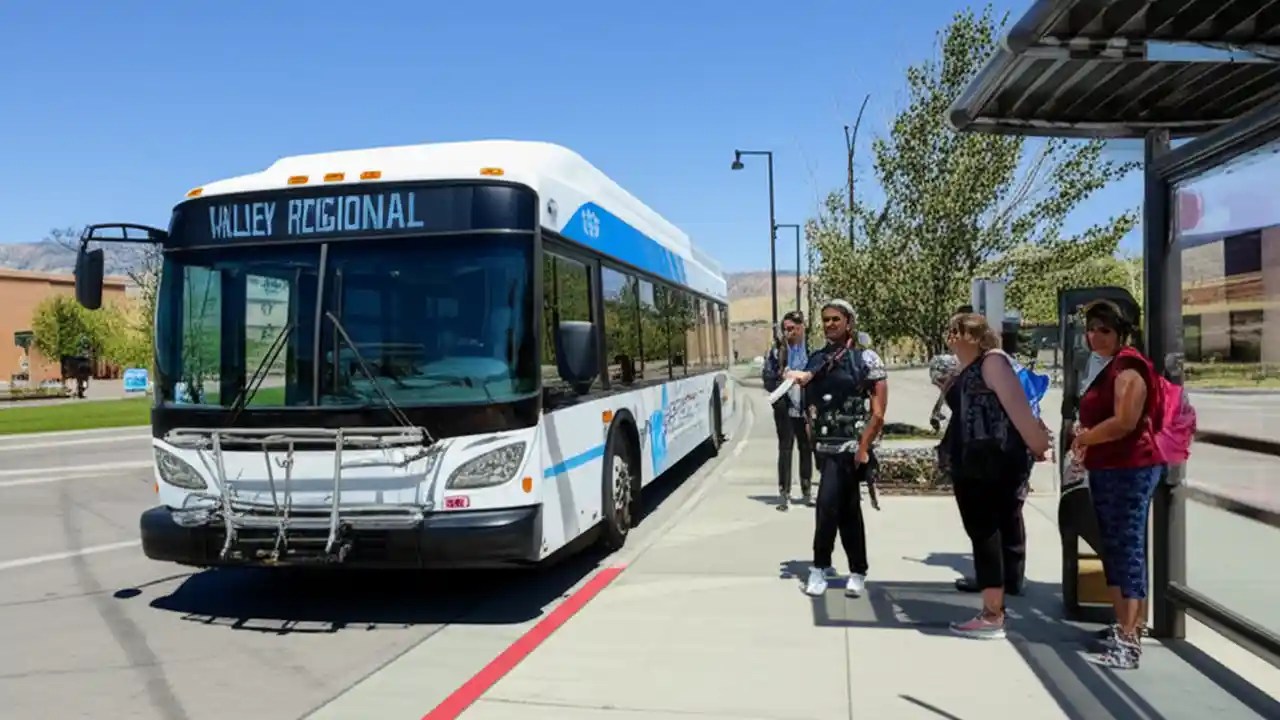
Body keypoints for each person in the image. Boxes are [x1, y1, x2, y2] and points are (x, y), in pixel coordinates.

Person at [940, 313, 1050, 640]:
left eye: (958, 332)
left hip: (992, 464)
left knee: (987, 533)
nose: (951, 338)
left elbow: (1018, 408)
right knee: (983, 533)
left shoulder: (993, 362)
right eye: (950, 332)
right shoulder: (971, 367)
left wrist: (1038, 444)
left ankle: (992, 615)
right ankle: (993, 610)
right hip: (974, 464)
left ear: (975, 336)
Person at [1072, 299, 1166, 669]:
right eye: (1091, 329)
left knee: (1127, 551)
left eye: (1104, 330)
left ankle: (1129, 640)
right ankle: (1124, 626)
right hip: (1109, 467)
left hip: (1129, 468)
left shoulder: (1128, 367)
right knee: (1113, 549)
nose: (1095, 336)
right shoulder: (1109, 365)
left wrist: (1085, 438)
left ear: (1123, 333)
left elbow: (1124, 422)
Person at [783, 300, 888, 598]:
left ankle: (819, 566)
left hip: (853, 446)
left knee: (827, 504)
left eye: (836, 319)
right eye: (826, 320)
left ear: (849, 322)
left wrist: (865, 447)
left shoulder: (865, 359)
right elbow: (806, 402)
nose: (830, 324)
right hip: (824, 447)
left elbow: (878, 411)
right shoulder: (817, 358)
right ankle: (857, 570)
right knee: (847, 508)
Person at [761, 311, 814, 509]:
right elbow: (767, 379)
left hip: (805, 404)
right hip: (784, 405)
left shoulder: (811, 349)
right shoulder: (777, 351)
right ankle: (784, 493)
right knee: (785, 447)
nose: (788, 332)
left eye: (792, 328)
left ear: (802, 328)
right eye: (785, 329)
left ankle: (807, 489)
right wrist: (781, 379)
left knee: (806, 446)